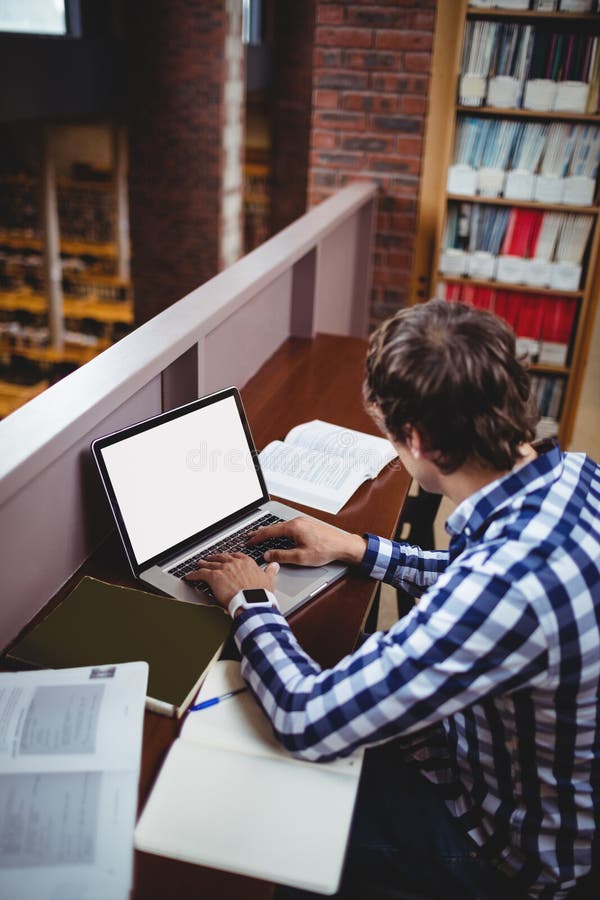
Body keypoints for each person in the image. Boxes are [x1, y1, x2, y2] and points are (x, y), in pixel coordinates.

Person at [186, 299, 600, 900]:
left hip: (502, 850)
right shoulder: (577, 477)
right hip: (530, 776)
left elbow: (307, 719)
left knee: (256, 819)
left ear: (417, 440)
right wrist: (359, 548)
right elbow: (479, 580)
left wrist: (251, 601)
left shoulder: (503, 589)